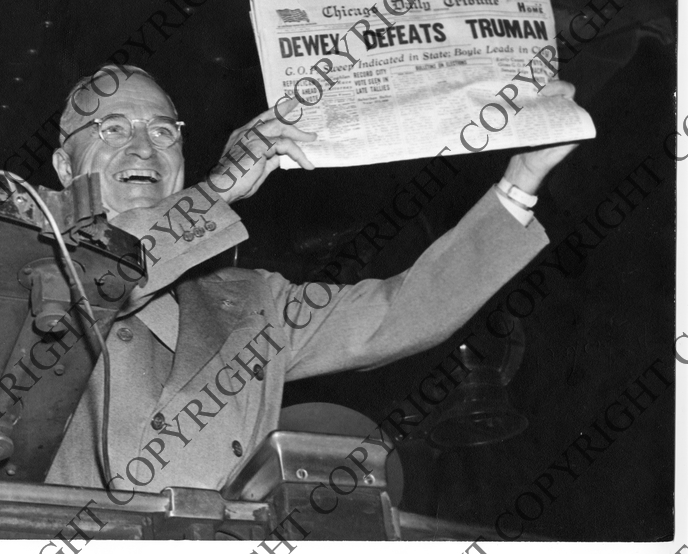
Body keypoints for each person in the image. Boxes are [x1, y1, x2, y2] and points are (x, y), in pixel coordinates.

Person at [45, 63, 583, 495]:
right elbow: (102, 281)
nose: (143, 147)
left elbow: (397, 313)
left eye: (163, 131)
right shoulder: (24, 247)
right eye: (113, 128)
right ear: (65, 168)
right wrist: (216, 193)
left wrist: (521, 181)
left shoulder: (253, 299)